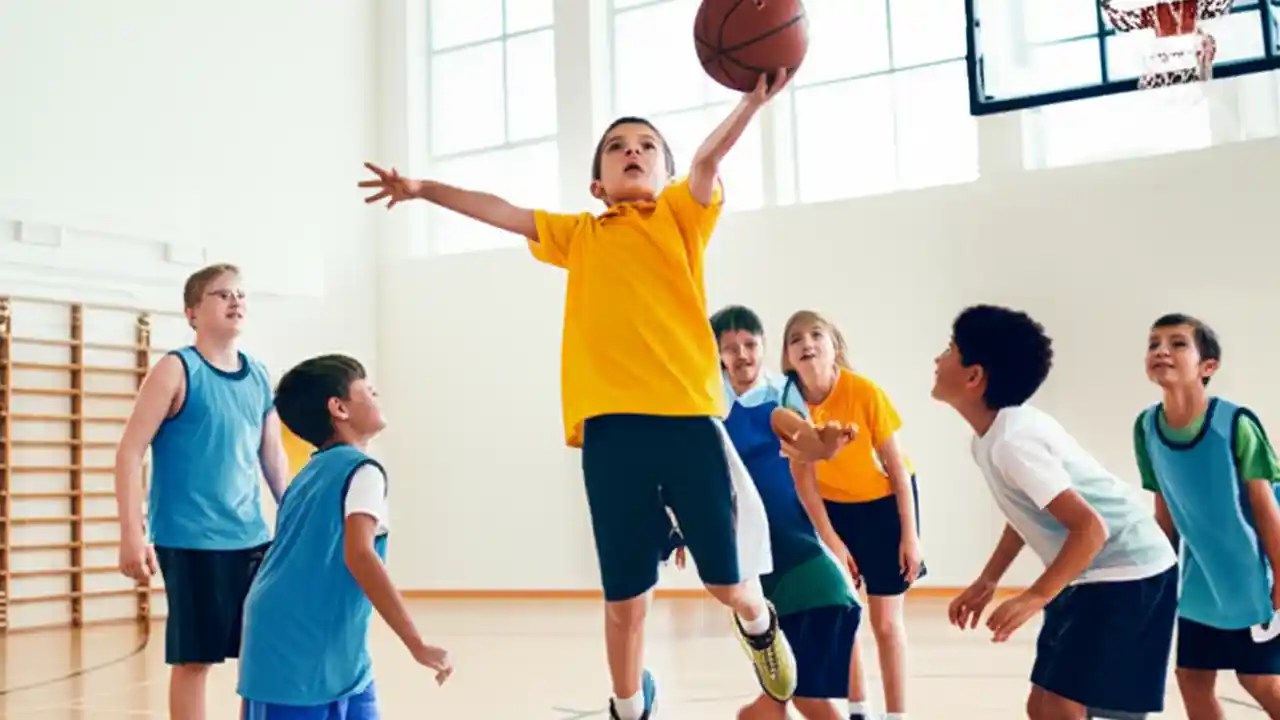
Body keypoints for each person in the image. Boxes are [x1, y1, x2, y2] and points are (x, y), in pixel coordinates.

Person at [358, 72, 796, 720]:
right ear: (597, 184)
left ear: (666, 171)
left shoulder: (681, 216)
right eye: (618, 147)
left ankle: (760, 623)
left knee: (725, 581)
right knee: (625, 598)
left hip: (687, 424)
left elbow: (706, 160)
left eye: (647, 145)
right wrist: (422, 188)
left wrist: (751, 103)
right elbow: (499, 210)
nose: (633, 151)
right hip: (611, 435)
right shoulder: (580, 235)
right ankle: (628, 704)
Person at [933, 304, 1178, 719]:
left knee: (1066, 705)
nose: (938, 359)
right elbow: (1028, 514)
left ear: (974, 377)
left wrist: (1035, 596)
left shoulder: (1014, 440)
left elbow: (1090, 529)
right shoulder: (990, 439)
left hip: (1130, 572)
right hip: (1089, 574)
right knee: (1044, 706)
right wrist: (989, 579)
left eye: (950, 349)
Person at [113, 263, 289, 720]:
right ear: (192, 312)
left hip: (251, 537)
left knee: (264, 652)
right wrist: (132, 534)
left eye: (241, 294)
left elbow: (272, 458)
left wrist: (293, 517)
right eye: (221, 294)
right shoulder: (176, 369)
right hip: (191, 540)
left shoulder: (258, 376)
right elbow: (129, 453)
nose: (235, 301)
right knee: (196, 660)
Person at [237, 354, 452, 719]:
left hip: (323, 645)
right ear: (339, 408)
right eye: (367, 389)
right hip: (298, 645)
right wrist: (416, 644)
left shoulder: (309, 472)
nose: (376, 393)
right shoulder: (363, 471)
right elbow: (360, 556)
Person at [680, 304, 868, 720]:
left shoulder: (780, 396)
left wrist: (821, 440)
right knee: (769, 705)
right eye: (730, 348)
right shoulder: (707, 407)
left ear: (764, 347)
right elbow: (695, 474)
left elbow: (796, 428)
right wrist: (681, 527)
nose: (742, 354)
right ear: (716, 355)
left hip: (800, 562)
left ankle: (861, 708)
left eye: (750, 344)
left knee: (798, 697)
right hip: (752, 566)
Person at [776, 309, 922, 720]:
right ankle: (859, 710)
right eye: (796, 338)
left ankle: (897, 715)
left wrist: (909, 537)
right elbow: (803, 481)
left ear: (834, 346)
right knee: (847, 615)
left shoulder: (864, 392)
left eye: (816, 334)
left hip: (885, 508)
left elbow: (896, 468)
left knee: (887, 623)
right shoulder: (788, 405)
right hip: (834, 513)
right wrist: (831, 541)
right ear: (787, 358)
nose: (807, 343)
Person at [1134, 312, 1280, 718]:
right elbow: (1164, 513)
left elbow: (1266, 509)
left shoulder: (1234, 424)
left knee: (1260, 681)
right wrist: (1156, 582)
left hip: (1254, 577)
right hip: (1201, 584)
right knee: (1192, 679)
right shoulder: (1146, 427)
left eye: (1178, 343)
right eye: (1153, 343)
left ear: (1208, 366)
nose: (1161, 350)